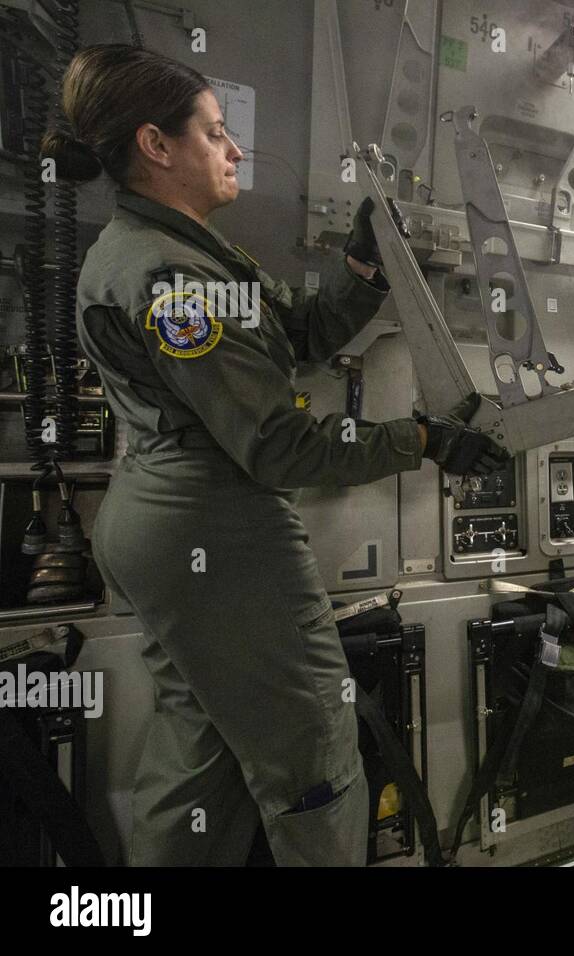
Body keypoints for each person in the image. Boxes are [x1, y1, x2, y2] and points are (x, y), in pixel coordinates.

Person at [42, 44, 509, 866]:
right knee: (311, 751)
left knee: (207, 752)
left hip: (172, 523)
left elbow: (292, 337)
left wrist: (363, 269)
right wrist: (425, 439)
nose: (234, 150)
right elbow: (276, 443)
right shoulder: (170, 278)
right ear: (158, 146)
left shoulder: (185, 253)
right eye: (215, 133)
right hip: (214, 532)